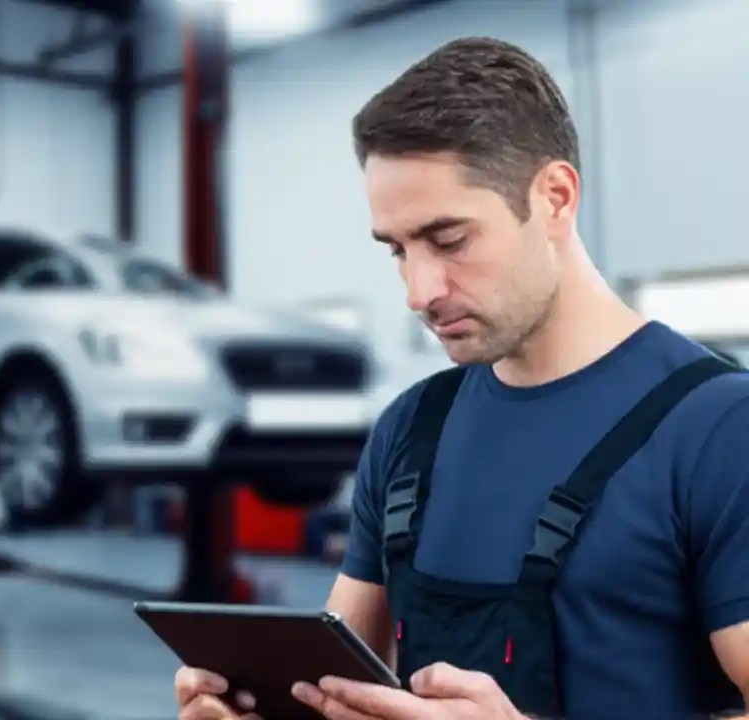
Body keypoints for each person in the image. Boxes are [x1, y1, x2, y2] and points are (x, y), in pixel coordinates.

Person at [174, 36, 749, 719]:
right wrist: (262, 707)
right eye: (397, 250)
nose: (419, 290)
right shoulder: (411, 429)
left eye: (449, 241)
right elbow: (337, 681)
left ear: (555, 198)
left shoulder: (719, 428)